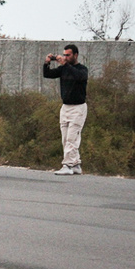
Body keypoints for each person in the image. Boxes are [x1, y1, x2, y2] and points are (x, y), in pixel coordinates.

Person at [43, 44, 88, 175]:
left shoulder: (82, 69)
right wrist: (47, 63)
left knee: (72, 138)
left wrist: (66, 65)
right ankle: (75, 164)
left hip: (78, 107)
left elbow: (80, 77)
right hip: (65, 107)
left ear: (75, 55)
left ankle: (67, 165)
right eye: (64, 55)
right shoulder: (63, 69)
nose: (65, 57)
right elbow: (48, 74)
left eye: (68, 55)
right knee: (65, 138)